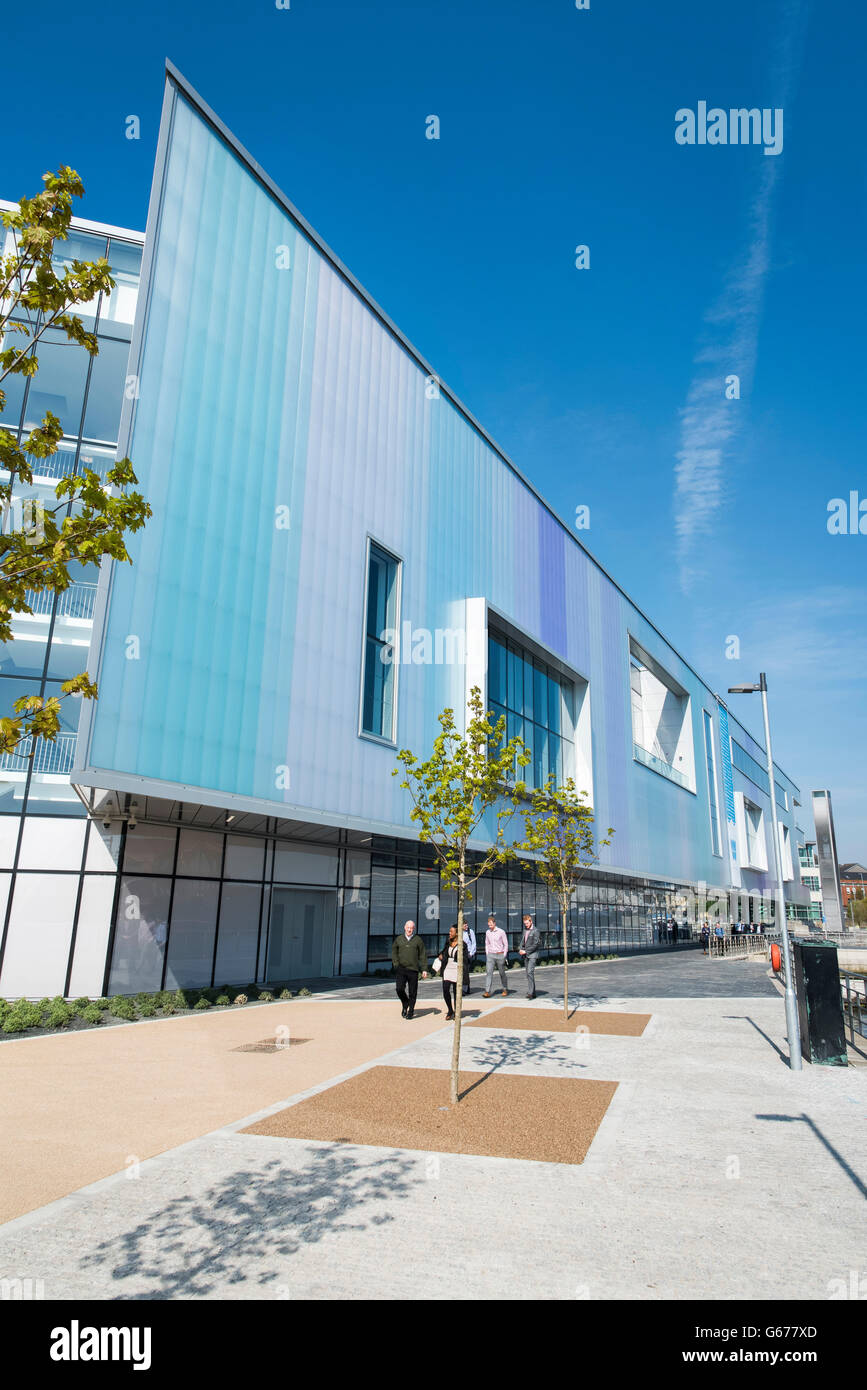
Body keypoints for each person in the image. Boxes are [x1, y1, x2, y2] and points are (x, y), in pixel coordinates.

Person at [391, 919, 428, 1019]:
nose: (409, 929)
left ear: (414, 929)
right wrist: (396, 964)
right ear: (404, 927)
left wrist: (424, 969)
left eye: (411, 928)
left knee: (413, 992)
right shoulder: (399, 939)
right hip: (401, 969)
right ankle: (405, 1003)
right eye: (408, 927)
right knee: (399, 989)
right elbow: (394, 952)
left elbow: (423, 955)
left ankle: (410, 1011)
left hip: (413, 970)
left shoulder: (418, 940)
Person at [436, 924, 469, 1020]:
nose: (449, 933)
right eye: (449, 931)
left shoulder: (463, 945)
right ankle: (450, 1009)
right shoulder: (448, 942)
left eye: (451, 931)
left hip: (457, 968)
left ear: (457, 933)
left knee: (456, 991)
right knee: (445, 989)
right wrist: (441, 955)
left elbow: (465, 959)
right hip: (447, 967)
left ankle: (456, 1011)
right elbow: (443, 951)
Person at [483, 915, 509, 997]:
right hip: (490, 955)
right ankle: (487, 991)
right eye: (488, 924)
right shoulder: (487, 932)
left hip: (500, 954)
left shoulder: (501, 932)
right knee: (489, 973)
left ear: (494, 923)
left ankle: (505, 989)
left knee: (502, 973)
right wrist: (487, 953)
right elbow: (486, 943)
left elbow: (506, 944)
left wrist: (504, 955)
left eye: (490, 924)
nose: (489, 926)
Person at [518, 914, 541, 998]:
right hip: (525, 955)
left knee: (530, 972)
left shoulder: (536, 931)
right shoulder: (525, 930)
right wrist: (520, 948)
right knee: (528, 974)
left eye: (527, 923)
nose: (526, 925)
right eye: (525, 924)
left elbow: (536, 944)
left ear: (531, 921)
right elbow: (522, 941)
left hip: (533, 955)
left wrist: (526, 951)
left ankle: (530, 992)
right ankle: (533, 992)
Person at [464, 919, 477, 994]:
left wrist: (471, 953)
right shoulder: (458, 932)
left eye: (467, 924)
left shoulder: (470, 931)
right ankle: (464, 987)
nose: (466, 926)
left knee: (466, 971)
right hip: (459, 954)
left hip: (468, 954)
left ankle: (465, 989)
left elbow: (473, 943)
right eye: (465, 925)